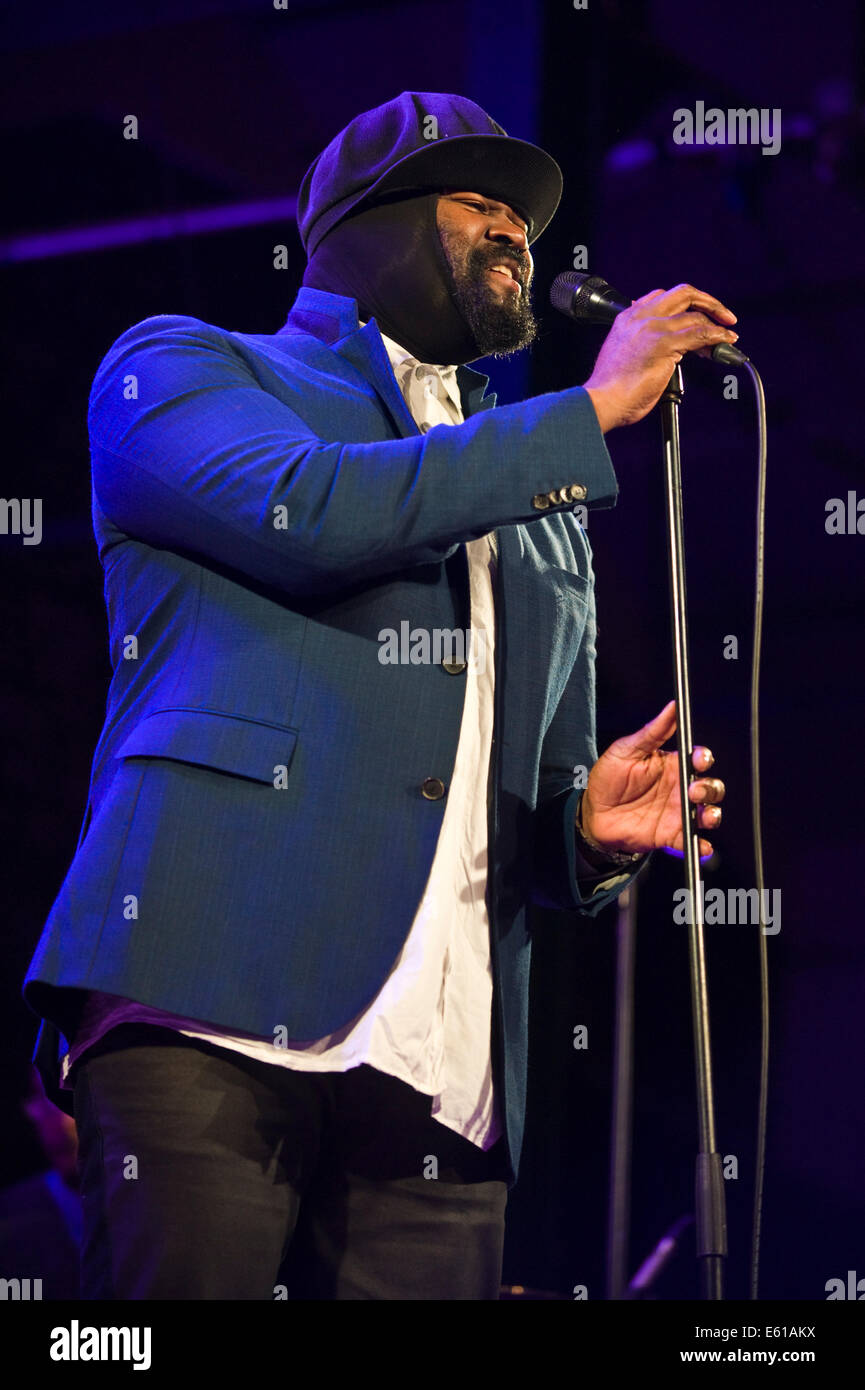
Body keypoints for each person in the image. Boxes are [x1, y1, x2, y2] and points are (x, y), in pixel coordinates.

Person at [22, 92, 730, 1300]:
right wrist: (592, 412)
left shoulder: (533, 487)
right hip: (211, 1002)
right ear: (368, 224)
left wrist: (586, 830)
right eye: (477, 201)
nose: (516, 231)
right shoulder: (187, 369)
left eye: (525, 212)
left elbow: (523, 797)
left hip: (444, 1064)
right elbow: (316, 514)